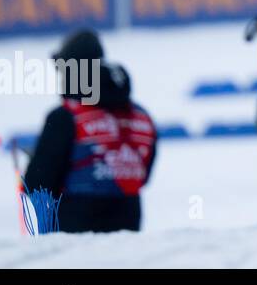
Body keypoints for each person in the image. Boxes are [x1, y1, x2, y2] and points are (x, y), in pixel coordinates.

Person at [24, 29, 158, 233]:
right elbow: (142, 175)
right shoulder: (142, 117)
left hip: (75, 238)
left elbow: (38, 186)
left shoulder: (65, 117)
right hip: (129, 235)